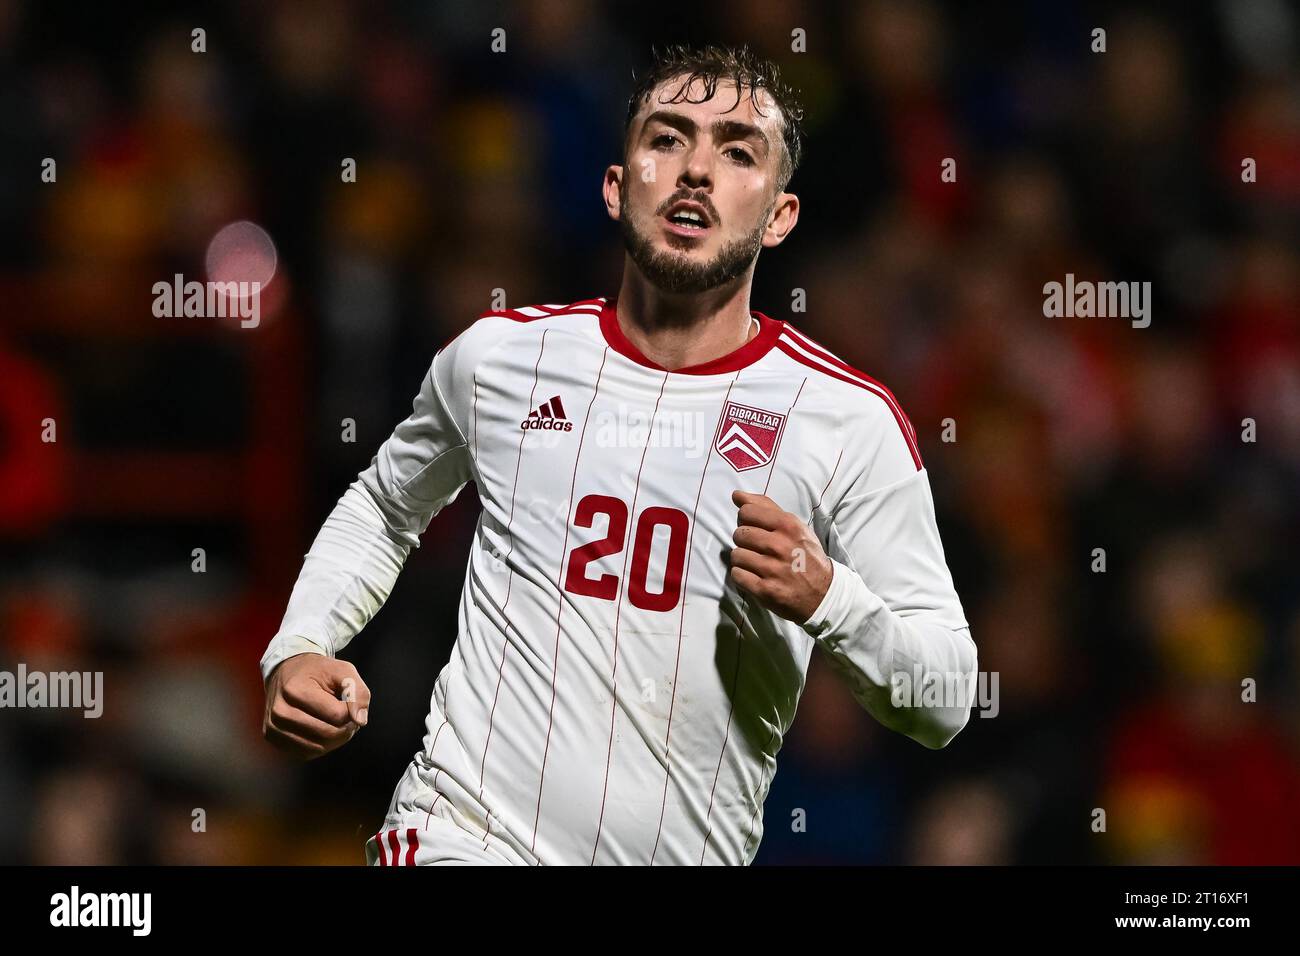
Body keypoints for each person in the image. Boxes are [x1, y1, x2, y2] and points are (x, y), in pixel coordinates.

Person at [259, 44, 976, 866]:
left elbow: (946, 699)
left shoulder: (848, 421)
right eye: (668, 139)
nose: (697, 170)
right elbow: (387, 507)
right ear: (615, 186)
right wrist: (302, 641)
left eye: (738, 150)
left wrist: (829, 598)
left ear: (779, 216)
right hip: (464, 837)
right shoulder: (498, 360)